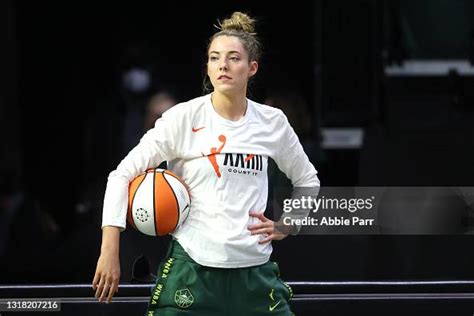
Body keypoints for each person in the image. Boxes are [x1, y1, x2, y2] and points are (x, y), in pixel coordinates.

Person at [92, 11, 320, 315]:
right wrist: (110, 250)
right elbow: (120, 176)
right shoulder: (182, 118)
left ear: (252, 68)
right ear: (208, 67)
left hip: (254, 273)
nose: (223, 65)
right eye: (214, 58)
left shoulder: (272, 122)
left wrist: (289, 224)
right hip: (191, 269)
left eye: (233, 58)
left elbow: (307, 180)